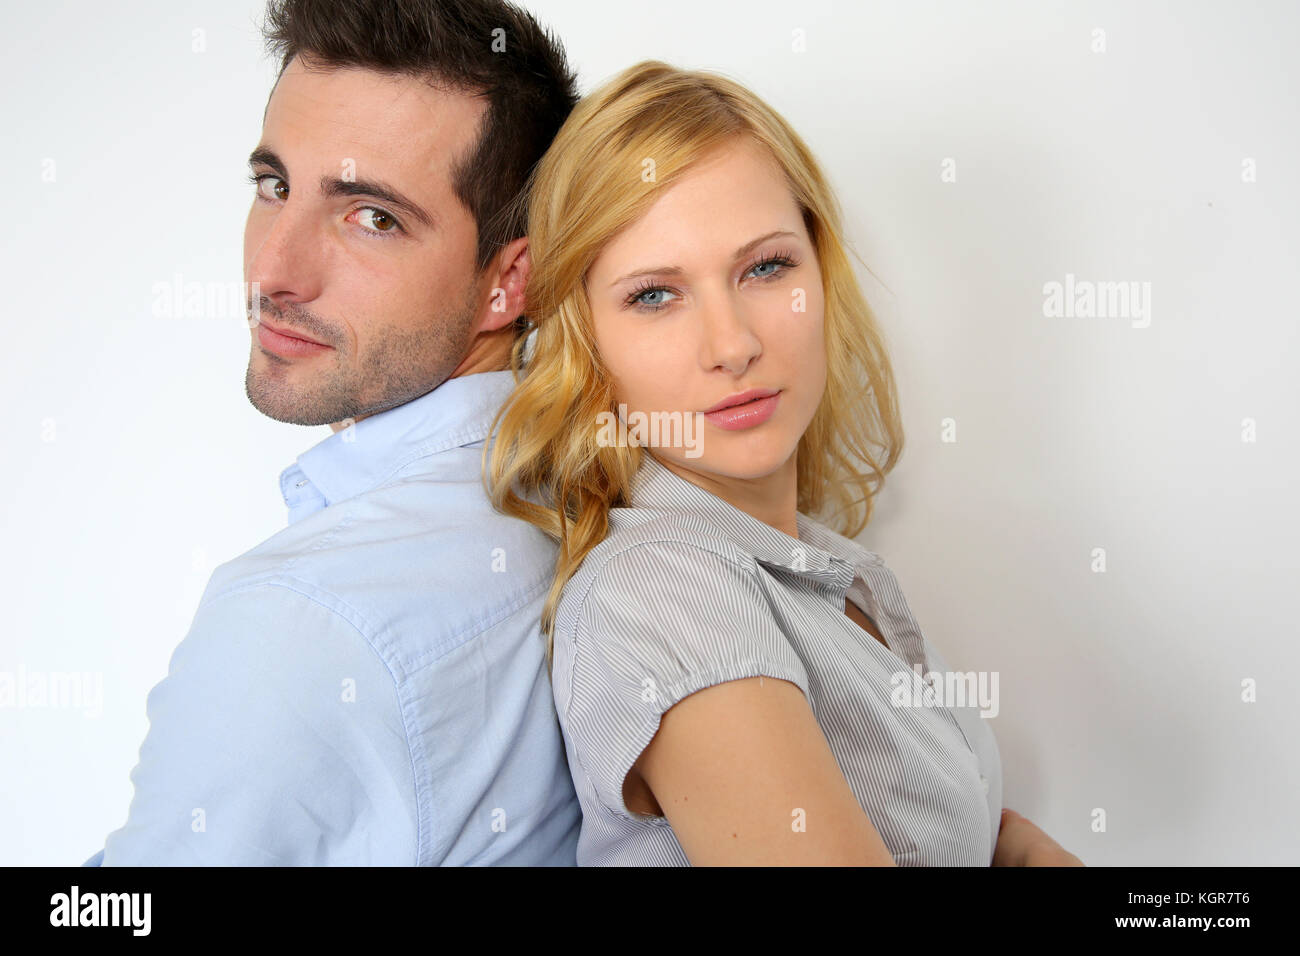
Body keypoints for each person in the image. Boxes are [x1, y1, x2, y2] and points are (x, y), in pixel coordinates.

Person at [484, 60, 1084, 866]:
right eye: (655, 295)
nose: (734, 344)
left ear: (819, 269)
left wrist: (1014, 843)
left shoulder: (813, 562)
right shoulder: (664, 592)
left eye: (765, 267)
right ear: (585, 344)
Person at [83, 0, 582, 866]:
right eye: (274, 187)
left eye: (371, 216)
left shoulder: (297, 622)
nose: (275, 271)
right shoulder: (599, 493)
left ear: (509, 282)